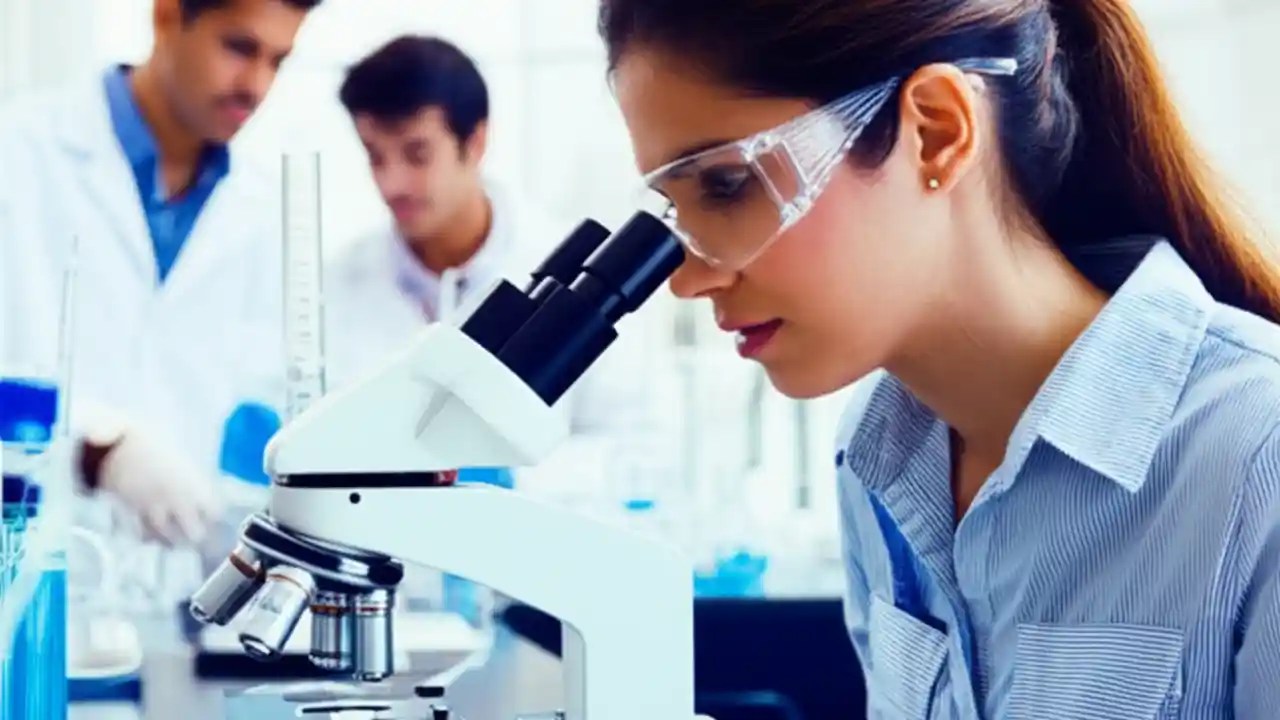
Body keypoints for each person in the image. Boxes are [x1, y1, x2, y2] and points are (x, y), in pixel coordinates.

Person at [600, 0, 1280, 717]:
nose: (688, 277)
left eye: (729, 186)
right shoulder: (878, 461)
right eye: (676, 211)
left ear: (936, 132)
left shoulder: (1255, 459)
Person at [0, 0, 322, 550]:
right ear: (167, 15)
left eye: (278, 60)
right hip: (28, 567)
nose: (256, 84)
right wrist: (102, 447)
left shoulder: (262, 207)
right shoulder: (20, 156)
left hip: (172, 590)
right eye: (239, 47)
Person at [326, 35, 658, 492]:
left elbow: (635, 448)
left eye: (417, 154)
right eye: (375, 156)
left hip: (529, 551)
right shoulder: (338, 283)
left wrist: (514, 481)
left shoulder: (577, 273)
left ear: (475, 141)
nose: (392, 182)